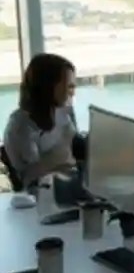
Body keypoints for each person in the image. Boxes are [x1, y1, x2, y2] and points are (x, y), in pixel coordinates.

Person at [4, 53, 79, 190]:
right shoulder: (20, 127)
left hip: (69, 179)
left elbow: (74, 147)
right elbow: (35, 176)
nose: (72, 92)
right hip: (41, 191)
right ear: (49, 86)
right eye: (68, 86)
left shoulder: (63, 111)